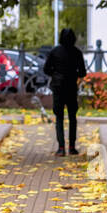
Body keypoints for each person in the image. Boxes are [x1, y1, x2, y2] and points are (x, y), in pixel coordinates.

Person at [43, 28, 87, 156]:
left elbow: (46, 69)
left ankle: (61, 148)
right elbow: (83, 72)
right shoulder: (77, 53)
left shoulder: (54, 52)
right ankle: (72, 147)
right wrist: (74, 74)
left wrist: (55, 74)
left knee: (59, 117)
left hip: (58, 87)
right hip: (71, 88)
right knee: (72, 117)